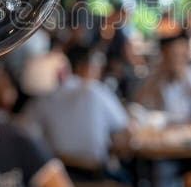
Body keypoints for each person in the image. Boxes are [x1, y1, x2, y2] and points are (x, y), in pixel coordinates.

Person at [20, 45, 129, 177]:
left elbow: (25, 132)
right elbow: (123, 124)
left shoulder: (41, 101)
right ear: (77, 67)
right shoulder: (95, 90)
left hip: (59, 177)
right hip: (96, 176)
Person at [133, 31, 191, 122]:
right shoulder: (156, 76)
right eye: (175, 55)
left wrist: (186, 79)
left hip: (189, 128)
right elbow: (139, 105)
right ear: (165, 56)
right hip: (166, 129)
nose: (178, 60)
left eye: (182, 56)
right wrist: (156, 78)